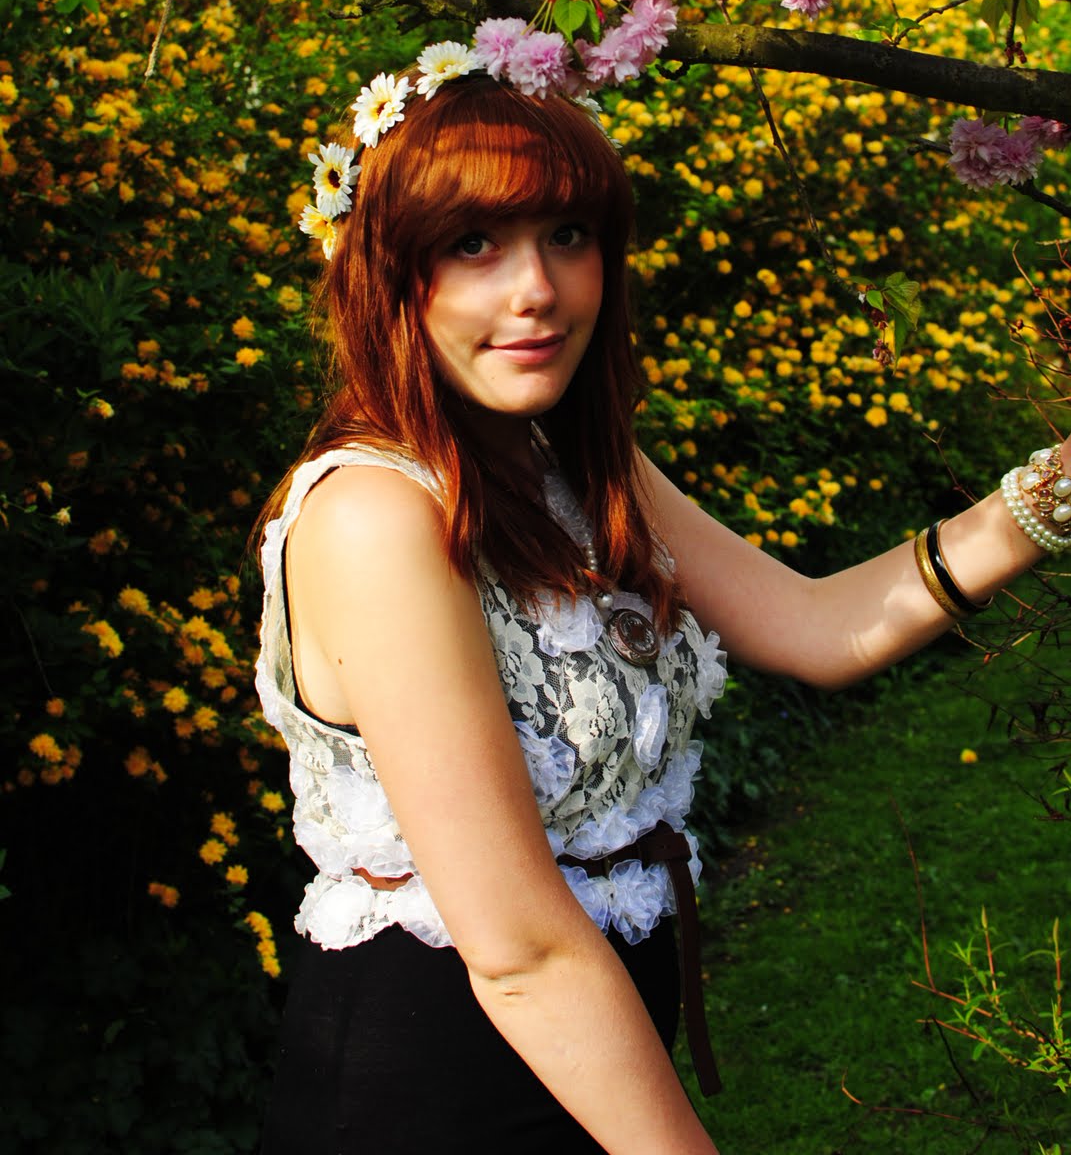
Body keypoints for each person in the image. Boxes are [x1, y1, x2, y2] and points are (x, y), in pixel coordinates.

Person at [255, 58, 1067, 1155]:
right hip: (441, 1080)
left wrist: (1045, 497)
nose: (535, 288)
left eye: (568, 236)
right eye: (473, 244)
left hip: (586, 1049)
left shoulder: (563, 464)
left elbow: (819, 626)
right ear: (389, 272)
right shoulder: (375, 517)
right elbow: (515, 946)